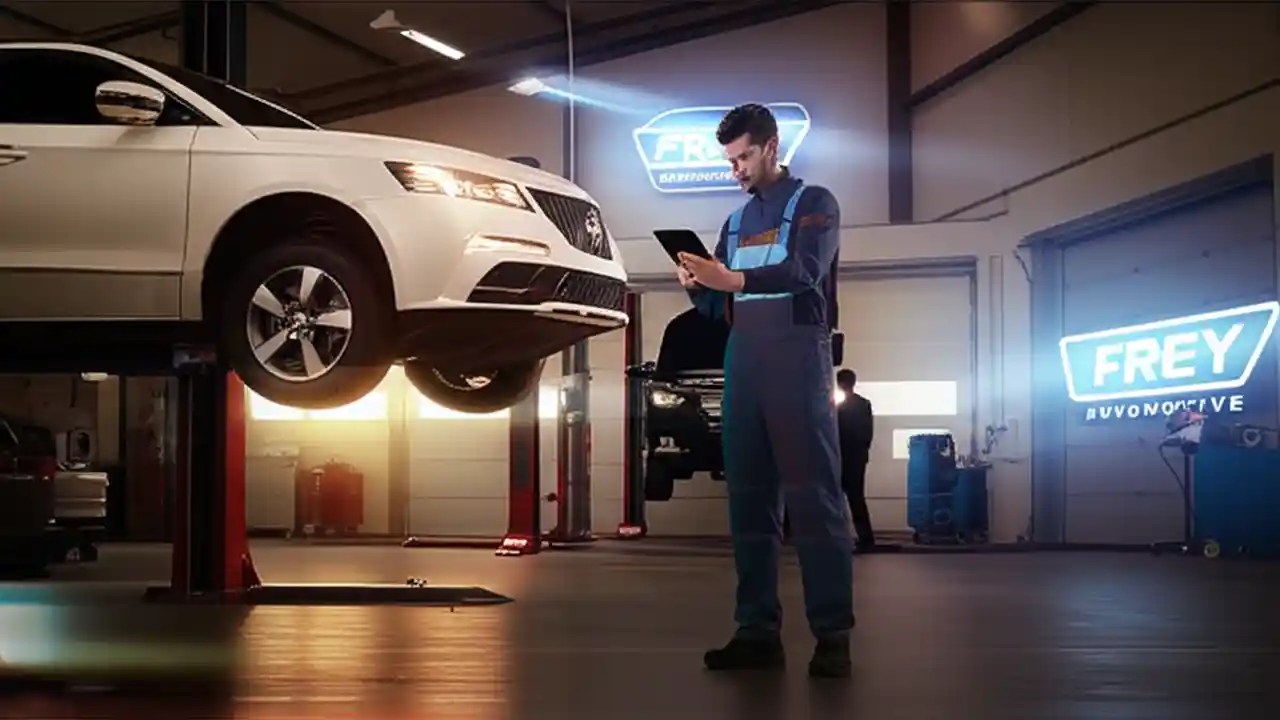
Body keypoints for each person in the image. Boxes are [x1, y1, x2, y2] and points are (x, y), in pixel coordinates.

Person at [676, 103, 853, 679]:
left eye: (744, 156)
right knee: (749, 499)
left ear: (772, 147)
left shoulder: (815, 203)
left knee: (814, 496)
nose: (736, 169)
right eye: (730, 161)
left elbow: (805, 272)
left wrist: (732, 278)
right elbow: (720, 307)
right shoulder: (733, 223)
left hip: (799, 357)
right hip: (744, 360)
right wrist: (698, 286)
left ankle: (832, 636)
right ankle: (756, 631)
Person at [836, 368, 876, 550]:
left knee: (837, 499)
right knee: (856, 498)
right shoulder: (863, 404)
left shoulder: (837, 407)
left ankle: (839, 536)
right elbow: (868, 433)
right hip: (857, 458)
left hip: (842, 457)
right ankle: (865, 538)